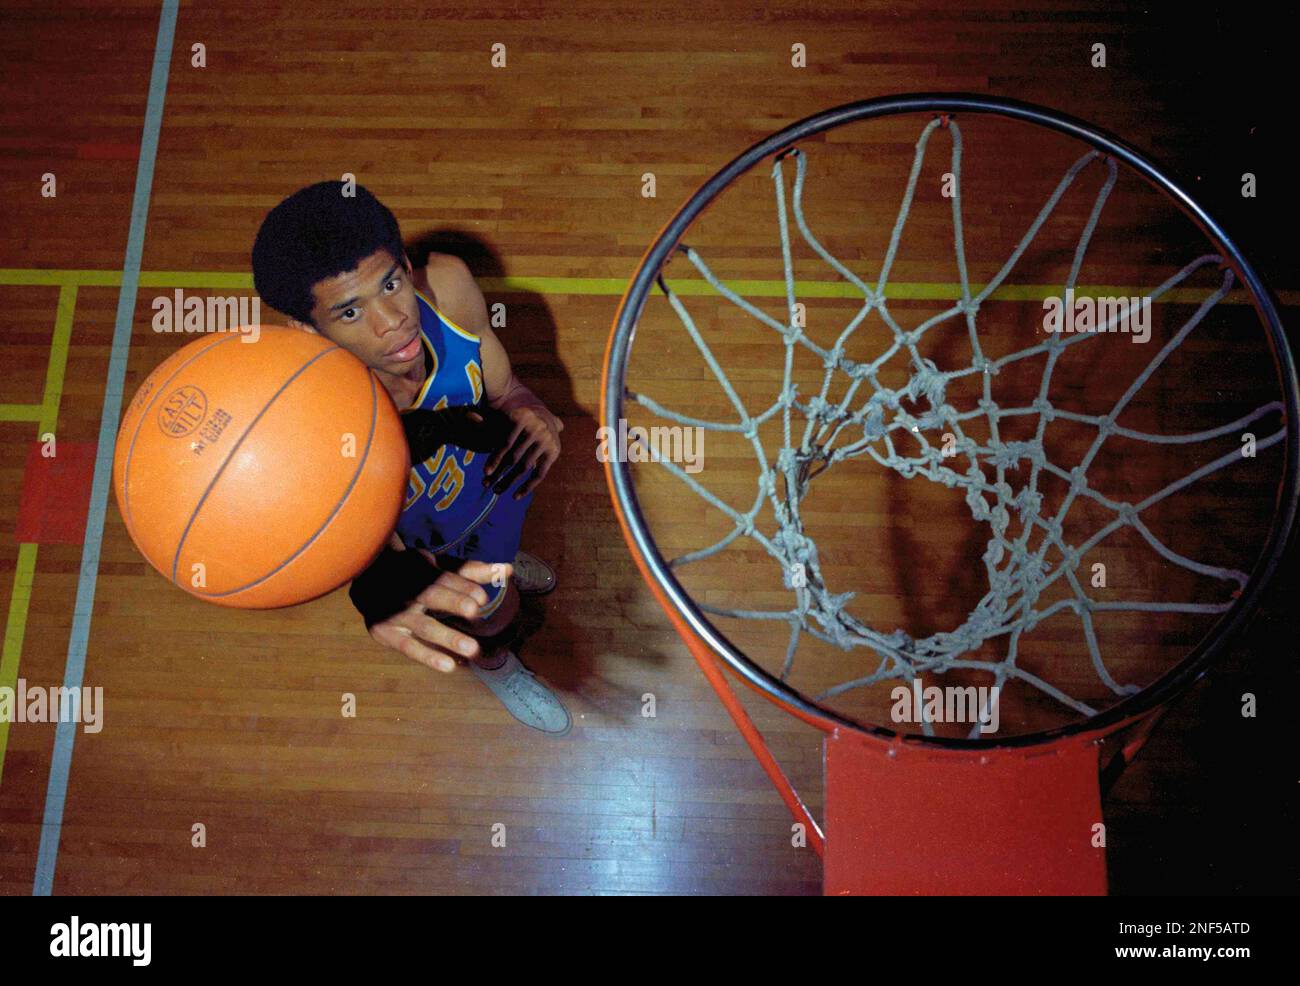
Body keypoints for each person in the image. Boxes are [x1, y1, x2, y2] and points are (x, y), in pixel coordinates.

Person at [251, 181, 570, 735]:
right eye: (350, 312)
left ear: (404, 264)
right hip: (423, 548)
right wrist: (370, 581)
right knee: (495, 616)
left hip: (493, 490)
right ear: (308, 330)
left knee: (503, 564)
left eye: (391, 284)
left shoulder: (447, 285)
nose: (391, 321)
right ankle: (497, 664)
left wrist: (532, 410)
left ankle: (507, 560)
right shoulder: (308, 417)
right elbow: (321, 537)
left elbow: (508, 389)